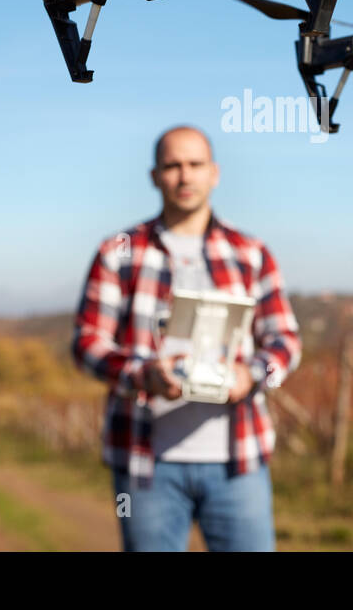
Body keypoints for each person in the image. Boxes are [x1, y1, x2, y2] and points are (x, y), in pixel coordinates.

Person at [71, 125, 302, 551]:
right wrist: (142, 374)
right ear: (154, 176)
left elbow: (285, 340)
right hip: (146, 464)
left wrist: (251, 375)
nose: (184, 176)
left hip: (239, 461)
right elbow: (87, 343)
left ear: (214, 173)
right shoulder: (117, 252)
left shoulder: (251, 252)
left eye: (195, 165)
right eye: (172, 165)